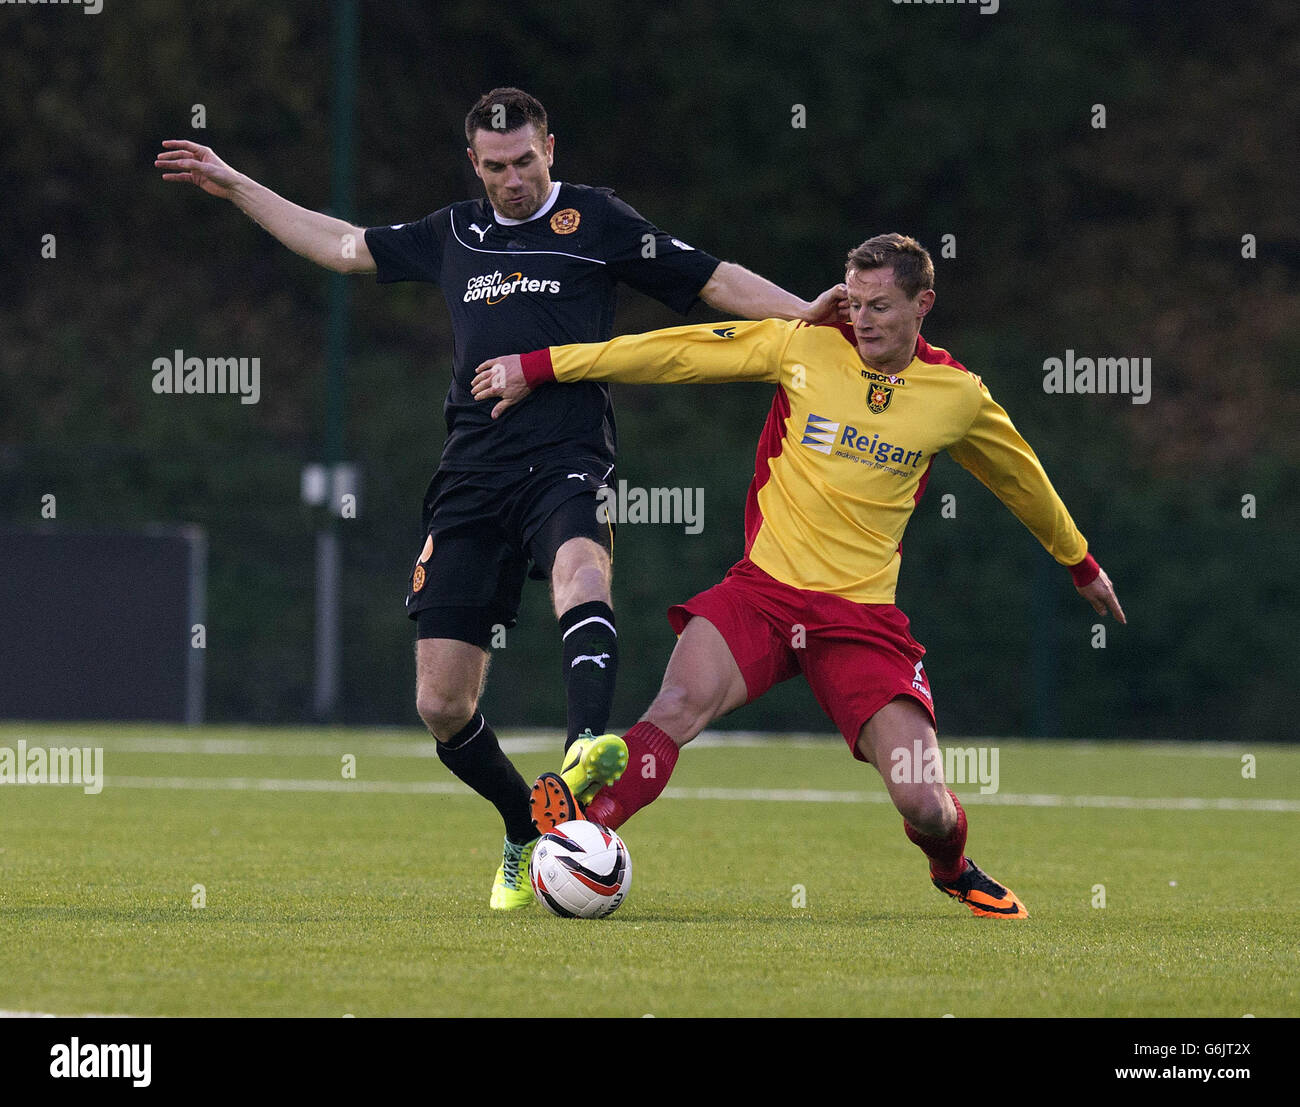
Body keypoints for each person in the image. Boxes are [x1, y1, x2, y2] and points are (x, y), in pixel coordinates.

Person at [155, 87, 846, 910]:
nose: (513, 179)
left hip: (565, 459)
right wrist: (237, 183)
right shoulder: (453, 234)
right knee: (442, 703)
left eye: (526, 160)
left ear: (551, 147)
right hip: (471, 478)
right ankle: (525, 824)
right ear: (473, 165)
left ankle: (587, 744)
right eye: (496, 167)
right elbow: (342, 246)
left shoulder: (598, 223)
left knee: (582, 572)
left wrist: (808, 316)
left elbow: (713, 279)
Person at [472, 233, 1127, 918]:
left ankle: (952, 865)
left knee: (925, 802)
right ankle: (587, 826)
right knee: (673, 708)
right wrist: (544, 364)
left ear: (923, 304)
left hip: (859, 621)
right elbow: (677, 353)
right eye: (853, 300)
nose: (862, 318)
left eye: (880, 305)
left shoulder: (955, 396)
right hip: (760, 594)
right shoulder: (803, 344)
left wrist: (1078, 561)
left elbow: (1019, 475)